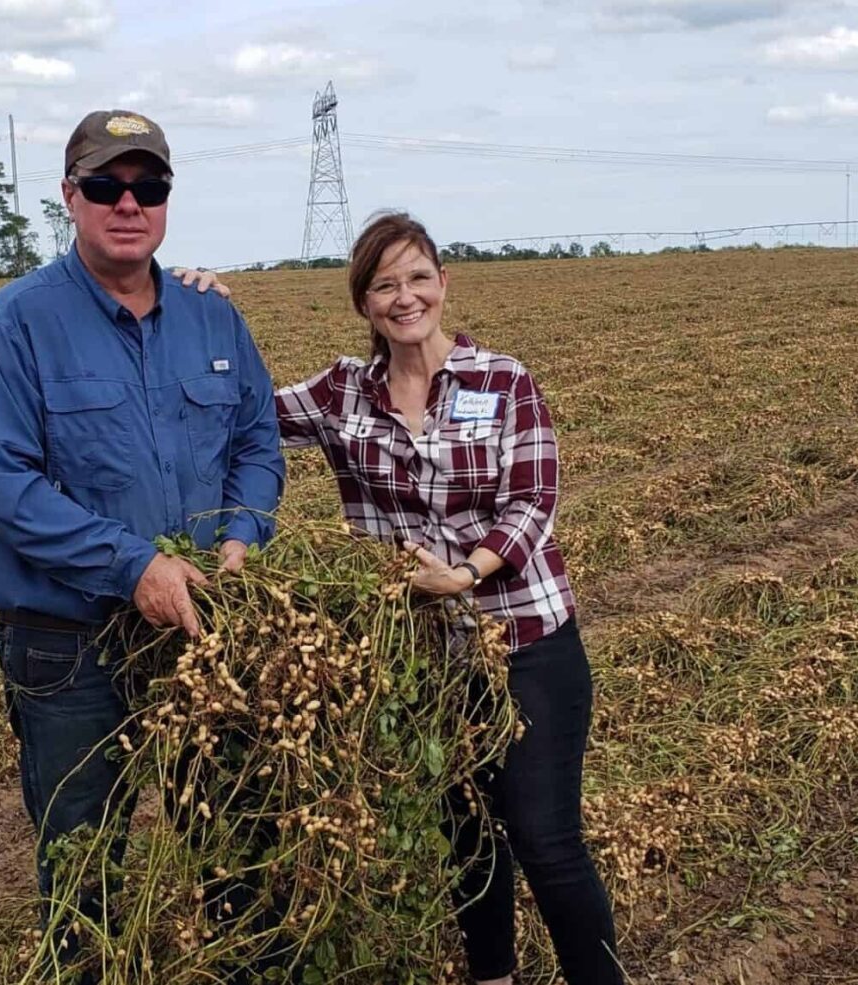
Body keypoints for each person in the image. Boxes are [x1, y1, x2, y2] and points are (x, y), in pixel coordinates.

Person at [233, 211, 620, 984]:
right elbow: (244, 415)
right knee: (467, 834)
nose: (404, 296)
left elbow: (534, 499)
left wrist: (468, 572)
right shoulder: (342, 392)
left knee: (545, 838)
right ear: (364, 303)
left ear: (444, 283)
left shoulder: (501, 379)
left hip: (524, 638)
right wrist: (203, 311)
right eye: (384, 284)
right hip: (423, 660)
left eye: (417, 278)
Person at [0, 109, 285, 962]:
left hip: (204, 629)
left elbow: (256, 439)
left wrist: (243, 531)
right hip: (69, 646)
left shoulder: (214, 318)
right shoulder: (14, 323)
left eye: (148, 186)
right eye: (105, 184)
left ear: (167, 199)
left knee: (235, 847)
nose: (127, 202)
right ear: (70, 196)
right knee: (84, 872)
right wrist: (133, 563)